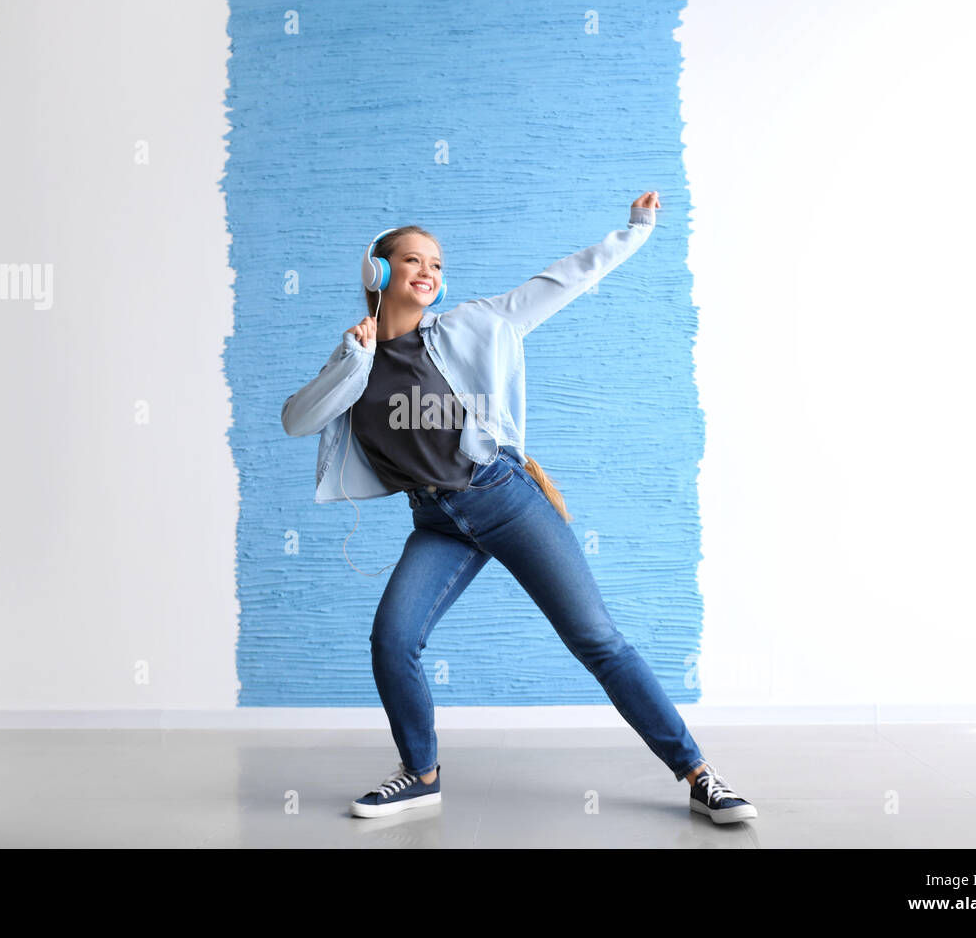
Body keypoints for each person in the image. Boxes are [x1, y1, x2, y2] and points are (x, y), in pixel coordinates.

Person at [281, 192, 757, 826]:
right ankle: (421, 776)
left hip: (501, 498)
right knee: (392, 640)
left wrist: (635, 232)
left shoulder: (469, 327)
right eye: (413, 260)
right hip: (437, 522)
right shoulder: (355, 360)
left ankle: (700, 776)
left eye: (438, 264)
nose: (430, 272)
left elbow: (558, 282)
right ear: (377, 272)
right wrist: (352, 357)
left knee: (598, 641)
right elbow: (297, 419)